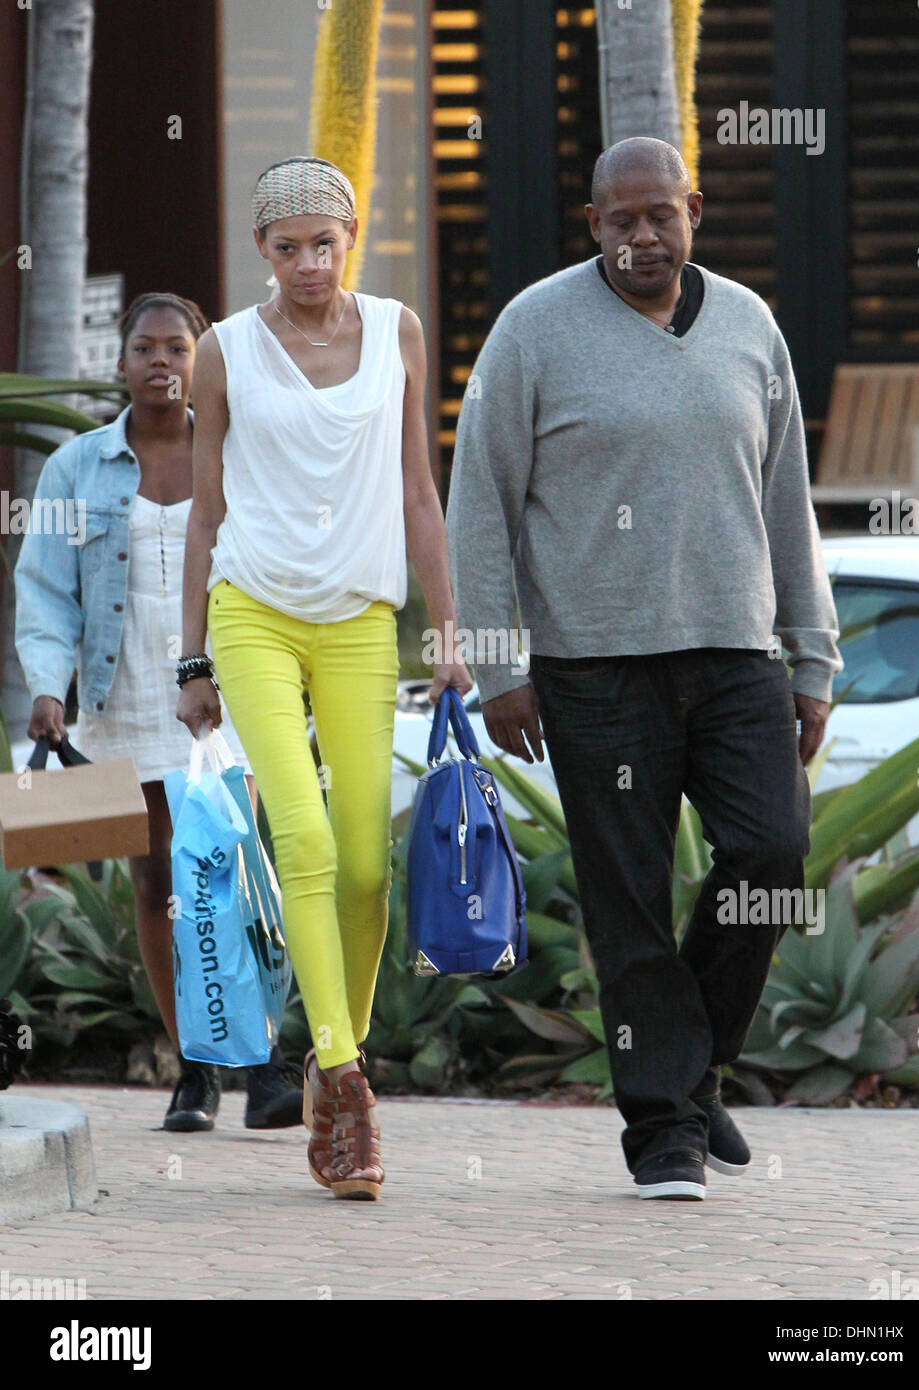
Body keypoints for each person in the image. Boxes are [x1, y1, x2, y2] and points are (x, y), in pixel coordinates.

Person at [446, 137, 842, 1201]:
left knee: (769, 853)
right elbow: (477, 503)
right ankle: (662, 1128)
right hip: (592, 670)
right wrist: (497, 667)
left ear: (692, 211)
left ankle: (689, 1060)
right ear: (591, 227)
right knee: (626, 902)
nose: (639, 235)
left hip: (737, 657)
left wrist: (811, 657)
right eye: (617, 219)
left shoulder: (751, 327)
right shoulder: (533, 329)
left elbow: (785, 503)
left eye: (656, 214)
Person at [176, 156, 471, 1200]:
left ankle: (324, 1050)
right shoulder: (222, 353)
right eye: (287, 245)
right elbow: (204, 512)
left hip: (358, 619)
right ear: (261, 249)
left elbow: (418, 491)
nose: (308, 261)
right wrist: (191, 653)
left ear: (353, 234)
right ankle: (345, 1086)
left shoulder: (397, 330)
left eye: (324, 240)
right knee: (297, 837)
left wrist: (447, 630)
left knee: (362, 866)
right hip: (251, 616)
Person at [14, 292, 304, 1134]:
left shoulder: (241, 451)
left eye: (178, 348)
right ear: (120, 363)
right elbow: (43, 591)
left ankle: (262, 1060)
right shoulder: (76, 467)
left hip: (229, 689)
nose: (161, 363)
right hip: (122, 689)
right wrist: (45, 684)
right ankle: (196, 1071)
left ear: (203, 360)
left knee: (232, 872)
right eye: (145, 348)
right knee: (156, 884)